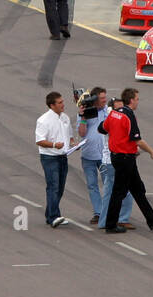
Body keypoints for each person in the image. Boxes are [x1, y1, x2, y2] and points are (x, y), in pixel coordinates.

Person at [97, 88, 153, 235]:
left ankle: (152, 220)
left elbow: (102, 129)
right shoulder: (128, 116)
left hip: (118, 156)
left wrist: (117, 138)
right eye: (137, 99)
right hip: (125, 158)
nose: (138, 102)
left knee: (137, 189)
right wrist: (151, 151)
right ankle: (110, 225)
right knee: (119, 192)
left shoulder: (114, 113)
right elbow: (137, 139)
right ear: (131, 100)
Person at [34, 91, 74, 228]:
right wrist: (54, 145)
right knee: (53, 186)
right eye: (60, 102)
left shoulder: (65, 118)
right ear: (52, 105)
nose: (63, 104)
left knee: (60, 187)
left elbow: (69, 135)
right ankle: (54, 216)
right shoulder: (43, 120)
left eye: (62, 101)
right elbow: (39, 140)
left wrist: (74, 144)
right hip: (49, 157)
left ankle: (50, 214)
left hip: (63, 156)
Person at [75, 88, 111, 225]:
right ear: (95, 99)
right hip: (88, 155)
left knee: (108, 184)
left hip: (104, 155)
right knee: (92, 185)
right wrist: (83, 118)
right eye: (102, 98)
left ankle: (108, 212)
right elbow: (82, 133)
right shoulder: (85, 112)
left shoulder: (107, 111)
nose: (105, 100)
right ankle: (98, 212)